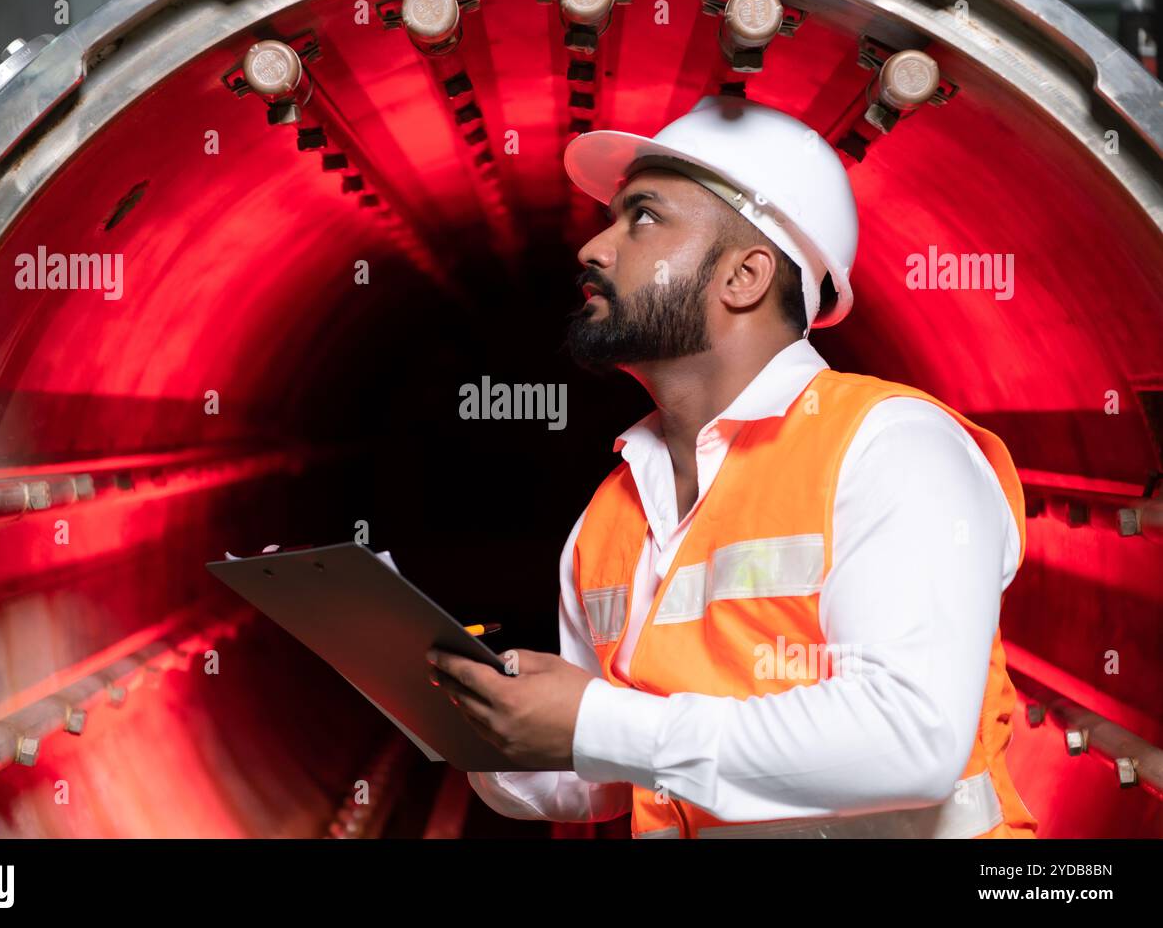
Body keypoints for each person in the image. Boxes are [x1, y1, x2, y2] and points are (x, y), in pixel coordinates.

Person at [426, 96, 1037, 838]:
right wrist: (481, 723)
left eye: (642, 217)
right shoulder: (609, 517)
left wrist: (602, 724)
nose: (594, 249)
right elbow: (602, 778)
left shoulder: (891, 445)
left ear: (744, 277)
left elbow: (911, 738)